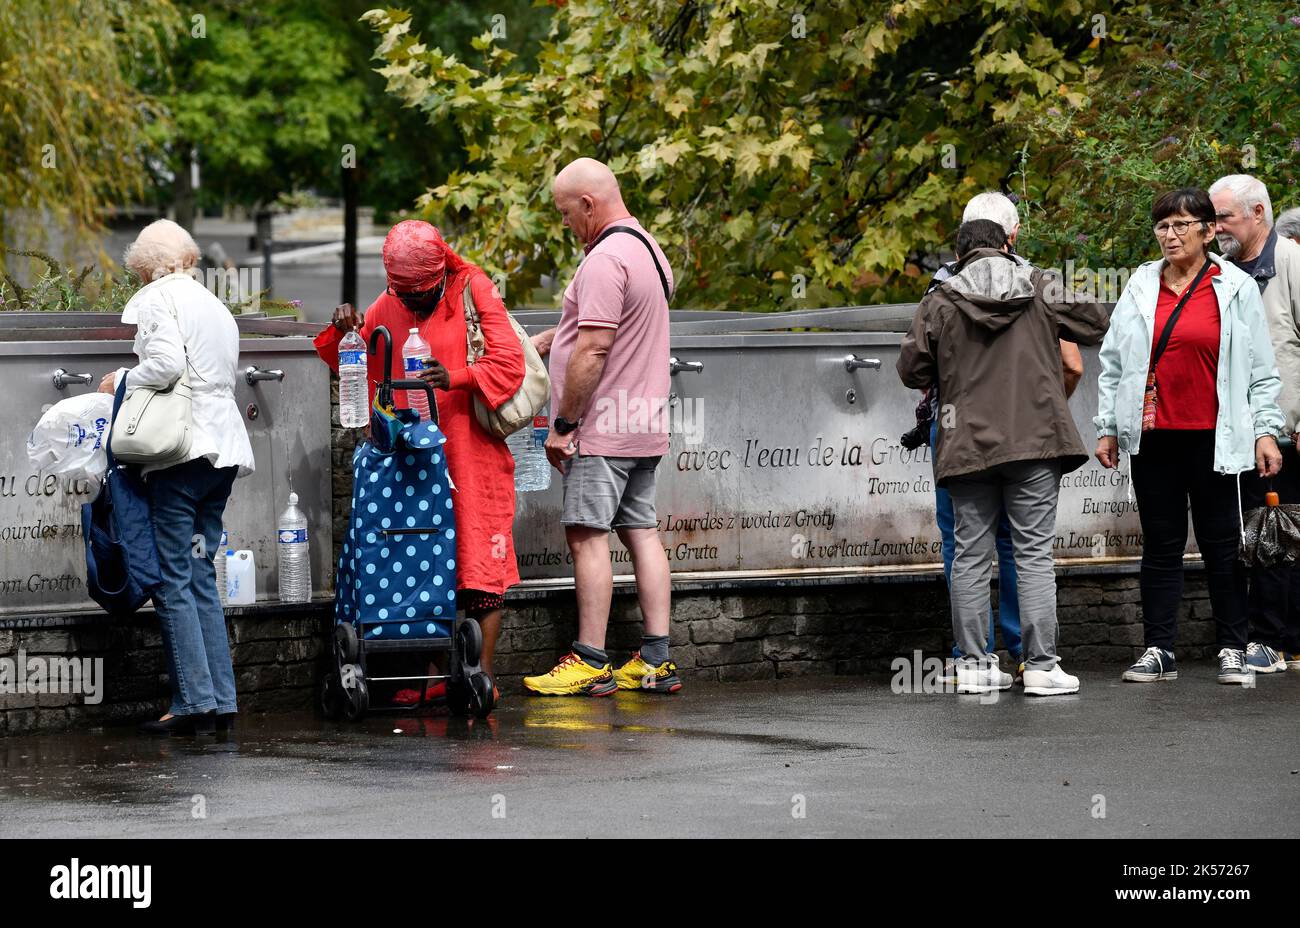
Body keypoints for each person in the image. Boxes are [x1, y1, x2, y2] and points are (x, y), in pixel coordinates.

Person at [898, 219, 1109, 697]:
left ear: (959, 252)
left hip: (966, 443)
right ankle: (1039, 667)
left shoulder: (941, 298)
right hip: (1034, 440)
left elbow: (912, 371)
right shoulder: (1039, 285)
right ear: (1006, 245)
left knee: (970, 556)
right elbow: (1096, 321)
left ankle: (973, 666)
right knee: (1033, 553)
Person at [315, 221, 524, 700]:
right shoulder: (391, 301)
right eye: (402, 295)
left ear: (439, 277)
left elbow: (509, 364)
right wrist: (342, 327)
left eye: (421, 296)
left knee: (477, 572)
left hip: (470, 454)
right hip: (411, 461)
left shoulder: (475, 289)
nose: (411, 305)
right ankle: (434, 680)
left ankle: (480, 679)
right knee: (423, 562)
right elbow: (347, 360)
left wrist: (455, 378)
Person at [1095, 187, 1284, 686]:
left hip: (1215, 439)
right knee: (1161, 545)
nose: (1170, 235)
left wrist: (1266, 431)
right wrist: (1109, 428)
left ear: (1207, 230)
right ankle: (1159, 649)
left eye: (1182, 225)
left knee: (1223, 547)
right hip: (1155, 437)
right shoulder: (1139, 286)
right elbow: (1112, 364)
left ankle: (1232, 646)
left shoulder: (1234, 287)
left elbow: (1262, 373)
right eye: (1162, 226)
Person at [522, 157, 678, 697]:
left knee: (587, 536)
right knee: (642, 532)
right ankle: (656, 659)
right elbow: (614, 327)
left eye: (567, 213)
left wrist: (564, 424)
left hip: (603, 428)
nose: (566, 224)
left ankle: (589, 658)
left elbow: (596, 346)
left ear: (588, 205)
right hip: (644, 422)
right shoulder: (649, 251)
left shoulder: (605, 259)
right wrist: (548, 340)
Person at [98, 219, 255, 736]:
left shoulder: (157, 299)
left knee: (171, 581)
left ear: (151, 268)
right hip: (223, 454)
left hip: (180, 456)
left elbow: (164, 366)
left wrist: (121, 378)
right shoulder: (217, 306)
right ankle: (220, 699)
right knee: (198, 574)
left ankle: (193, 702)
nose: (141, 283)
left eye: (141, 273)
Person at [1210, 174, 1300, 672]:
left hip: (1286, 430)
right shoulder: (1221, 271)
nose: (1216, 225)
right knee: (1254, 536)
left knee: (1279, 536)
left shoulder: (1289, 261)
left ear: (1259, 213)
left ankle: (1275, 640)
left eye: (1225, 216)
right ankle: (1270, 637)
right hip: (1238, 432)